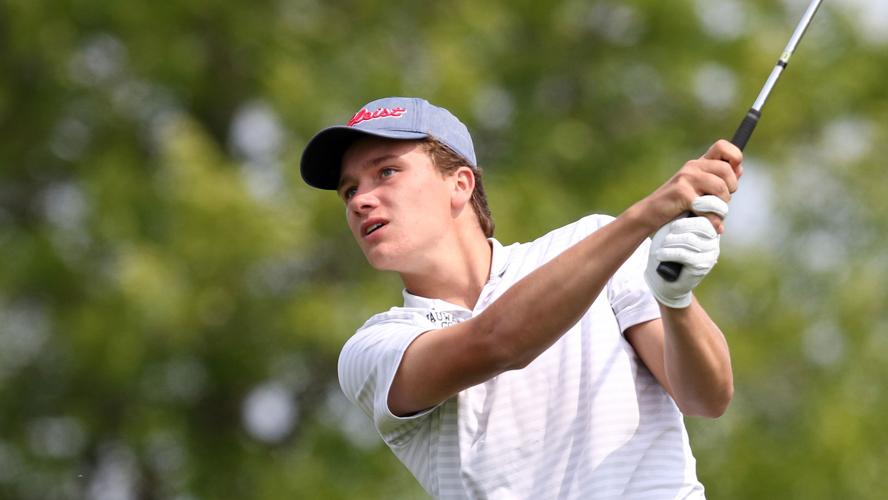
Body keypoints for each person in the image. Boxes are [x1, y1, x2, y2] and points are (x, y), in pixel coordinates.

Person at [300, 96, 740, 499]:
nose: (361, 201)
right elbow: (497, 342)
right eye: (350, 190)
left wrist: (675, 302)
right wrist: (646, 216)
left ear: (460, 184)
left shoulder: (592, 244)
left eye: (386, 172)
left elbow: (707, 398)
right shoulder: (372, 349)